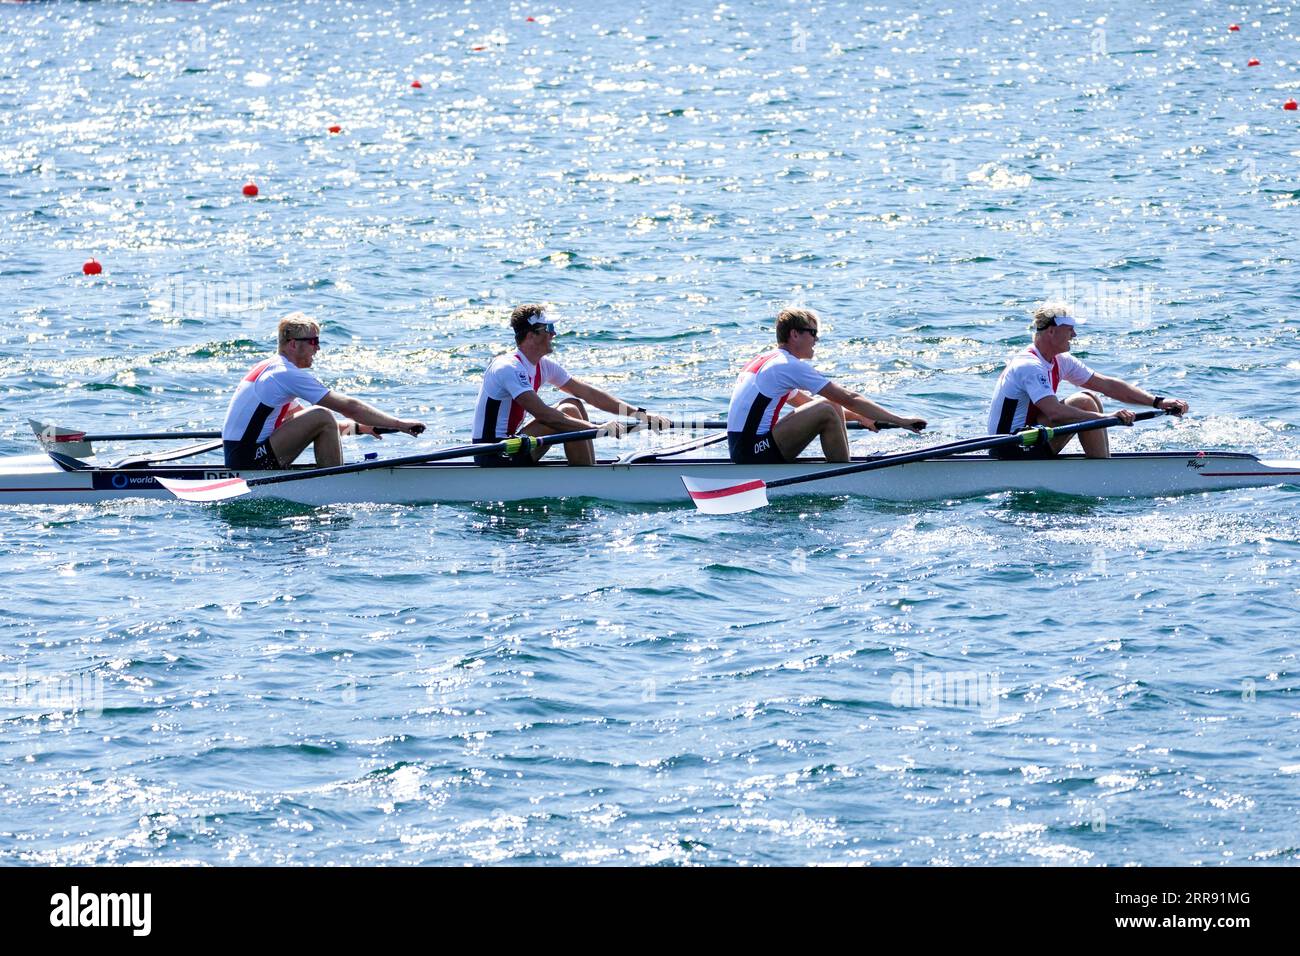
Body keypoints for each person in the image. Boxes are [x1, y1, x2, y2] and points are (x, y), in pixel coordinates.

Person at [471, 304, 673, 466]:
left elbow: (590, 394)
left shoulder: (543, 366)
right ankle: (587, 479)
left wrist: (642, 415)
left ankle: (588, 470)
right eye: (548, 329)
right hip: (494, 452)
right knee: (568, 410)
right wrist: (598, 428)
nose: (554, 334)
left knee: (572, 403)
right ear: (531, 335)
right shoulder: (507, 367)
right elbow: (545, 416)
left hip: (517, 444)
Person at [222, 313, 425, 469]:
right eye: (313, 342)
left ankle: (329, 477)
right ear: (293, 344)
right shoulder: (285, 374)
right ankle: (334, 486)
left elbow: (306, 424)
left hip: (241, 456)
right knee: (323, 414)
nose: (317, 349)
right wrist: (399, 424)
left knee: (320, 418)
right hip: (249, 461)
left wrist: (359, 428)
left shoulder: (272, 370)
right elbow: (349, 407)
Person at [986, 302, 1189, 458]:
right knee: (1083, 402)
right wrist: (1108, 418)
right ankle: (1102, 472)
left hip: (1032, 438)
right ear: (1051, 331)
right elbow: (1055, 413)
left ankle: (1101, 464)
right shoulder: (1029, 365)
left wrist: (1158, 401)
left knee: (1089, 396)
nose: (1074, 335)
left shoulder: (1060, 360)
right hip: (1010, 449)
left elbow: (1107, 385)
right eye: (1070, 329)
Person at [726, 307, 927, 464]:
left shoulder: (770, 362)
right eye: (812, 333)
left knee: (829, 405)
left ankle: (842, 465)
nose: (817, 339)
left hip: (745, 448)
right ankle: (844, 475)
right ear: (794, 334)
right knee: (827, 409)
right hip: (752, 453)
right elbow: (849, 398)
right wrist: (900, 420)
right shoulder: (787, 366)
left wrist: (859, 416)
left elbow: (806, 403)